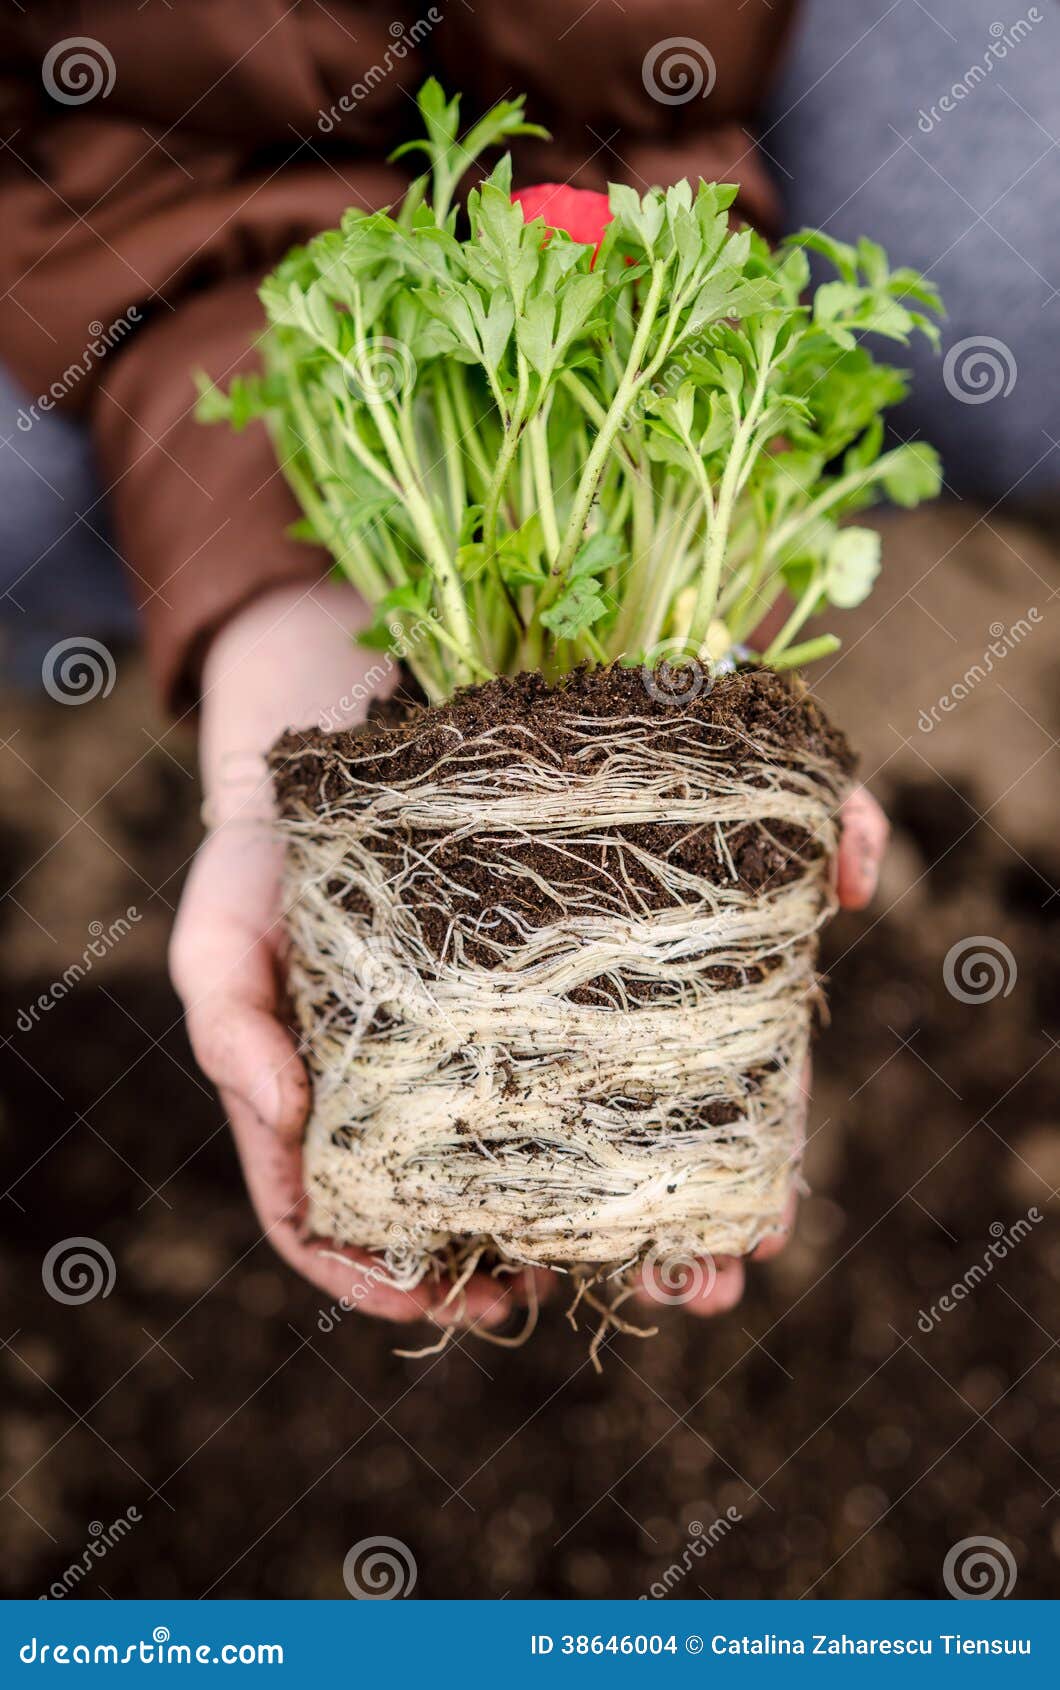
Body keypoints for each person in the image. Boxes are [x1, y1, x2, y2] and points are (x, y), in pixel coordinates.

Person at [6, 1, 1044, 1331]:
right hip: (135, 191)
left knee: (1025, 280)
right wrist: (285, 606)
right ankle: (110, 612)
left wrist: (663, 427)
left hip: (673, 77)